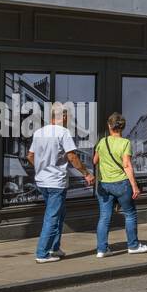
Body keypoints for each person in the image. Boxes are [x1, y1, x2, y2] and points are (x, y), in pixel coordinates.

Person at [28, 105, 94, 262]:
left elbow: (30, 156)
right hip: (56, 183)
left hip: (42, 182)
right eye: (68, 117)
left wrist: (41, 168)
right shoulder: (63, 132)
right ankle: (42, 253)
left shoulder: (38, 132)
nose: (69, 120)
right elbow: (72, 157)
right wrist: (87, 173)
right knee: (52, 217)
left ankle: (54, 248)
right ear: (63, 117)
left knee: (59, 214)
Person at [93, 112, 147, 258]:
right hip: (121, 184)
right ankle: (133, 246)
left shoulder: (102, 142)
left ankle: (101, 249)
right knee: (130, 214)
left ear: (109, 126)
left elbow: (95, 161)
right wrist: (135, 186)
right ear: (122, 127)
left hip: (104, 185)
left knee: (104, 217)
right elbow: (127, 165)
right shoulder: (125, 143)